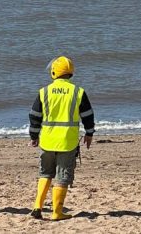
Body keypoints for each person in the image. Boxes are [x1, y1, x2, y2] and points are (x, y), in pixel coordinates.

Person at [28, 56, 95, 221]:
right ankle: (57, 212)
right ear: (70, 72)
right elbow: (87, 115)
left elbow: (35, 116)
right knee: (62, 176)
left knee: (45, 173)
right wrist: (89, 133)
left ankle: (37, 206)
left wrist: (34, 136)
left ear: (53, 72)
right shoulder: (78, 92)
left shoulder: (44, 92)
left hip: (47, 141)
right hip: (67, 142)